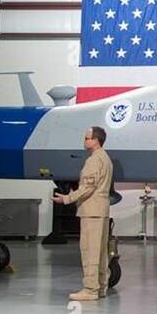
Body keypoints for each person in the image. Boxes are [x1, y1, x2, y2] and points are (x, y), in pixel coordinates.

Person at [53, 126, 115, 301]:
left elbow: (87, 187)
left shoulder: (94, 160)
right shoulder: (106, 158)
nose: (85, 141)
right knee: (100, 251)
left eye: (88, 138)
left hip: (91, 210)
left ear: (96, 140)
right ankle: (101, 286)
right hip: (101, 209)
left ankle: (90, 289)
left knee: (90, 250)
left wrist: (66, 198)